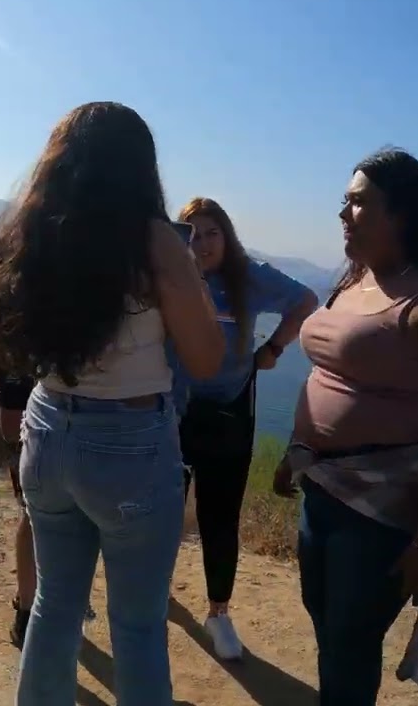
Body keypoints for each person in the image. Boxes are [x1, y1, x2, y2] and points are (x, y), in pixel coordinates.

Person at [0, 101, 225, 705]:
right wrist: (186, 274)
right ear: (141, 167)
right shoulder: (155, 242)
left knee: (54, 607)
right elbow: (207, 359)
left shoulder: (33, 231)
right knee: (138, 627)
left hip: (46, 427)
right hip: (128, 444)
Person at [274, 147, 418, 705]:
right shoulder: (355, 279)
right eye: (344, 202)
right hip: (323, 491)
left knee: (352, 641)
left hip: (383, 511)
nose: (342, 215)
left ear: (401, 213)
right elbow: (331, 379)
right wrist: (297, 448)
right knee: (328, 627)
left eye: (357, 203)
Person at [171, 196, 318, 661]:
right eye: (192, 232)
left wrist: (273, 347)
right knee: (159, 511)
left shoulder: (248, 276)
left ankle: (219, 614)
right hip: (173, 411)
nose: (203, 242)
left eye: (213, 232)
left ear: (228, 237)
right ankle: (155, 591)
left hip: (229, 413)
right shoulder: (172, 276)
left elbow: (306, 300)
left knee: (220, 519)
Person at [0, 353, 95, 647]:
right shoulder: (18, 328)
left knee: (63, 518)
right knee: (32, 514)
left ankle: (47, 607)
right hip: (34, 433)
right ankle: (27, 612)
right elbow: (10, 424)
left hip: (68, 431)